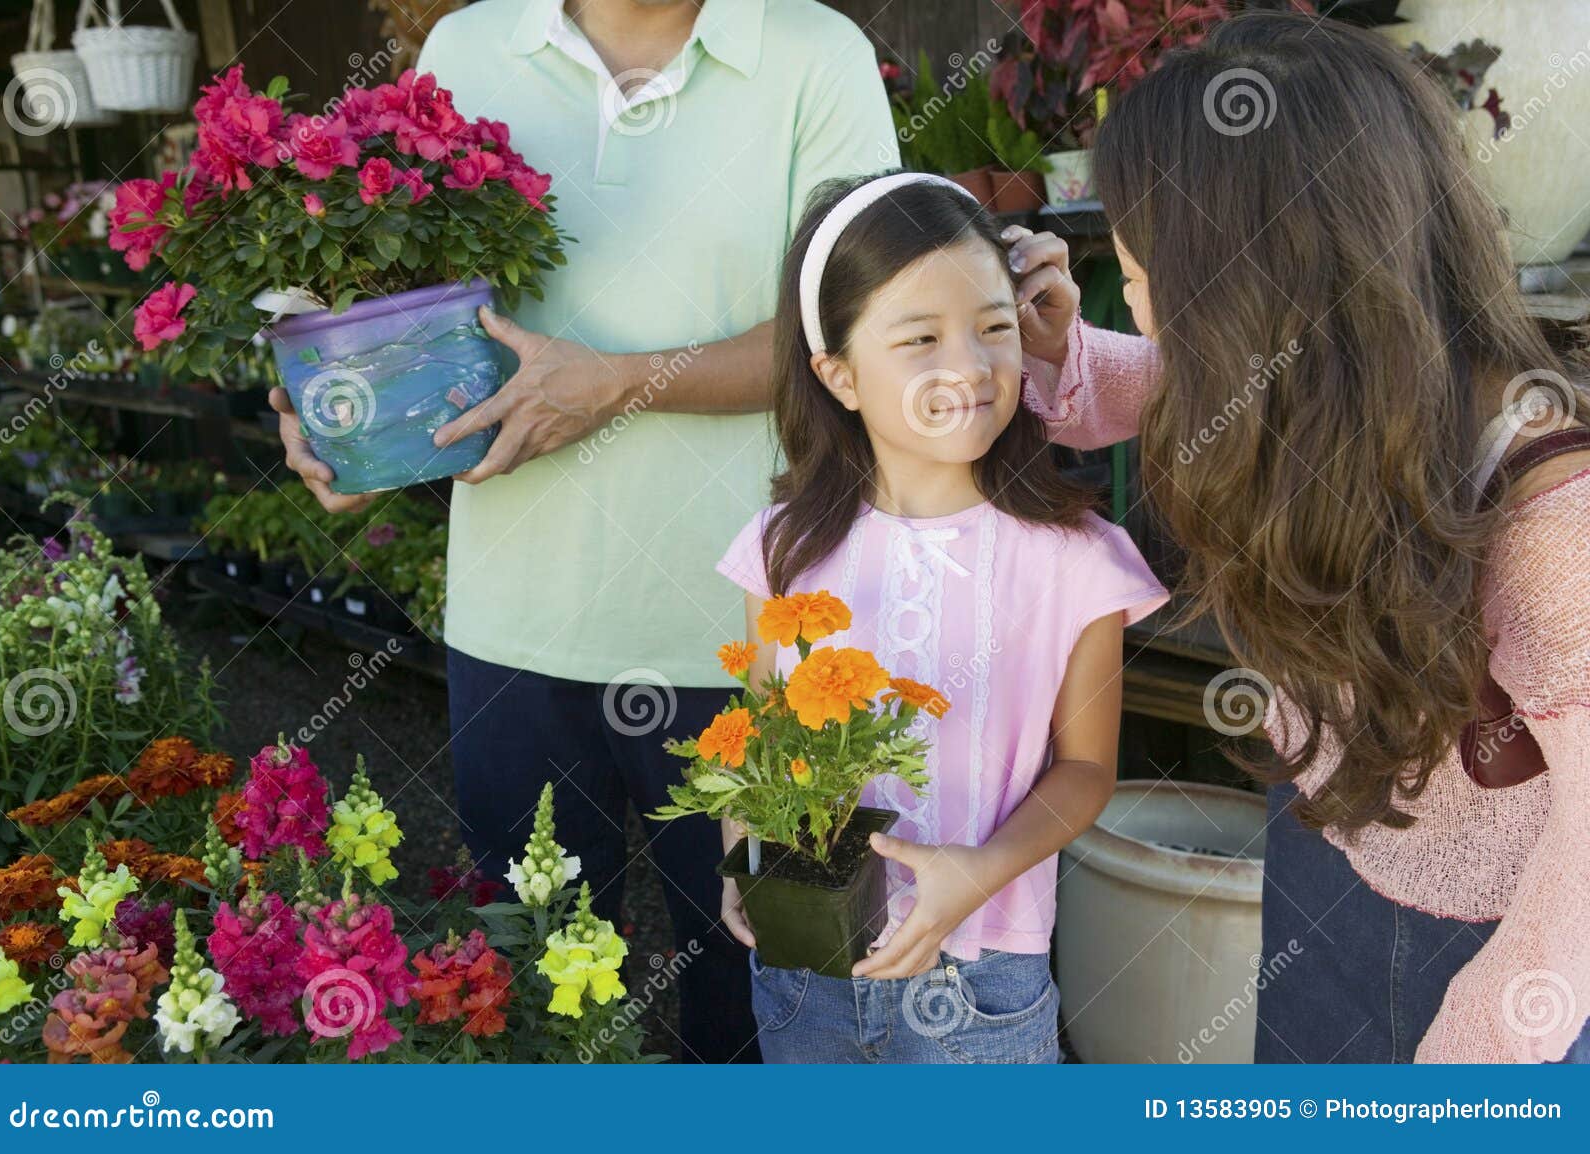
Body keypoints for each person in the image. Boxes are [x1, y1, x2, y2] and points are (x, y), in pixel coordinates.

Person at [270, 0, 899, 1063]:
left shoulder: (813, 54)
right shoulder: (470, 47)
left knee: (758, 1020)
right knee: (535, 1011)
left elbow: (855, 330)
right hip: (517, 626)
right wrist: (339, 414)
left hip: (753, 645)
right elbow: (401, 309)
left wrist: (617, 385)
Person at [1009, 12, 1590, 1063]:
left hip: (1505, 941)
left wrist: (1486, 1043)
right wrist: (1062, 349)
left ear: (1250, 294)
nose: (1136, 313)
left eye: (1142, 282)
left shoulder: (1555, 529)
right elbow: (1182, 385)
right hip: (1332, 838)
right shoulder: (1335, 380)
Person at [713, 171, 1169, 1063]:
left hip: (984, 982)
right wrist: (742, 848)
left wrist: (980, 873)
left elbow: (1084, 771)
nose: (967, 366)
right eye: (920, 338)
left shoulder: (1075, 558)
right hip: (810, 969)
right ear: (839, 375)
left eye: (994, 329)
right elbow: (759, 736)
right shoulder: (785, 549)